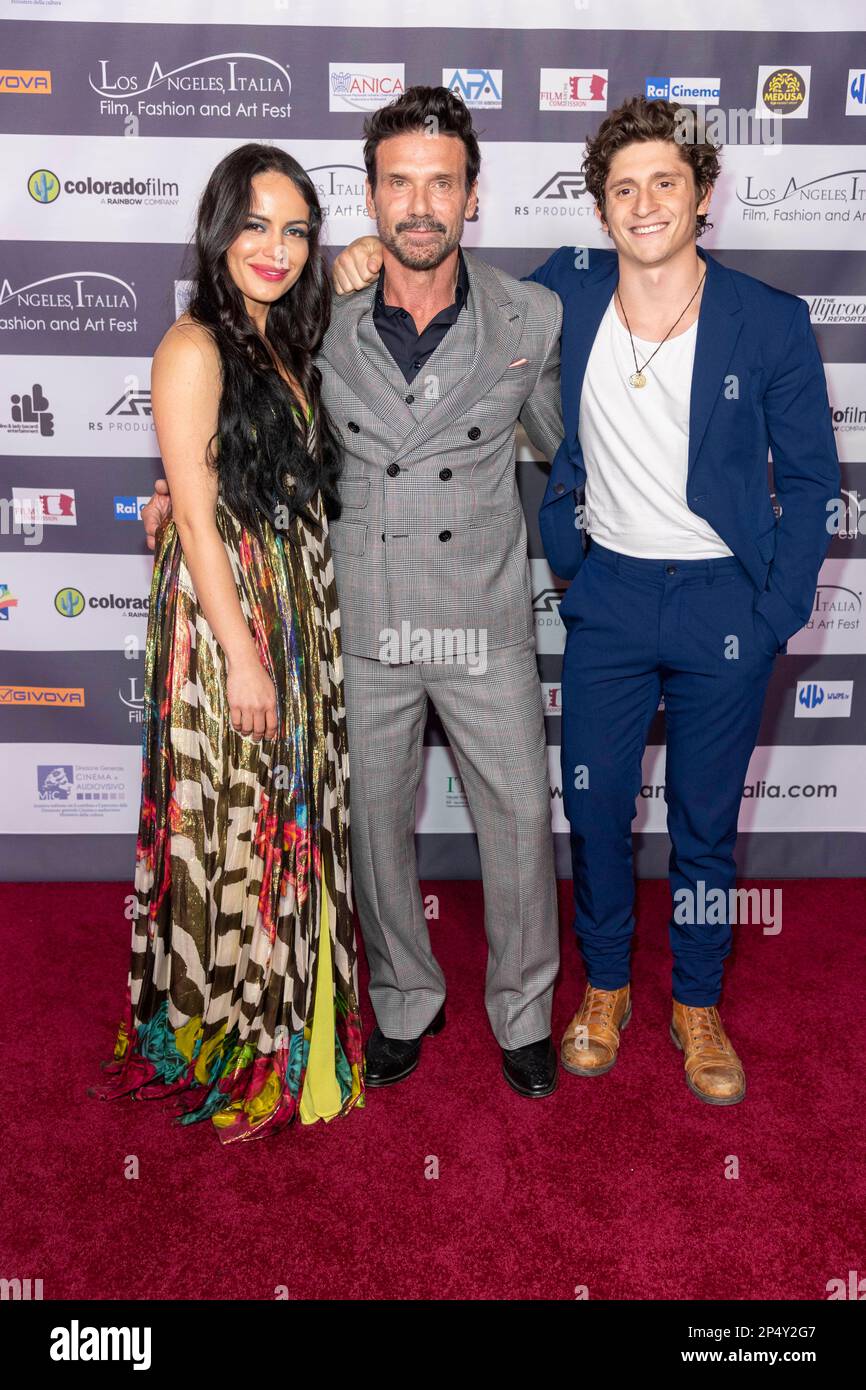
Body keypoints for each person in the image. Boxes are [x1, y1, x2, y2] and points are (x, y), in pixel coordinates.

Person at [334, 96, 840, 1106]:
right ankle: (603, 986)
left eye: (664, 182)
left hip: (722, 610)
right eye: (623, 188)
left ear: (701, 194)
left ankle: (694, 1001)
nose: (644, 203)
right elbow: (439, 278)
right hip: (603, 599)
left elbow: (814, 481)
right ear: (599, 211)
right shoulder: (562, 292)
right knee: (594, 816)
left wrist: (775, 612)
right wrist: (358, 247)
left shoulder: (768, 319)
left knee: (701, 827)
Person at [143, 87, 566, 1100]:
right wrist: (181, 499)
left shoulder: (532, 314)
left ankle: (522, 1010)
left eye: (440, 182)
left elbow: (569, 456)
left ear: (472, 193)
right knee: (372, 830)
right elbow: (247, 432)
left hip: (481, 617)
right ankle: (403, 999)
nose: (418, 203)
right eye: (397, 182)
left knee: (515, 826)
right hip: (359, 616)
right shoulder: (314, 316)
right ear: (371, 195)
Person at [89, 143, 364, 1144]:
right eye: (254, 224)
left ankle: (289, 1021)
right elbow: (198, 525)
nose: (276, 247)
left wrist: (361, 253)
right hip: (228, 628)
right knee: (238, 823)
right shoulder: (193, 345)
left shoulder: (276, 338)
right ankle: (228, 1034)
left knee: (284, 811)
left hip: (289, 609)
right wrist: (244, 656)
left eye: (294, 229)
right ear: (216, 231)